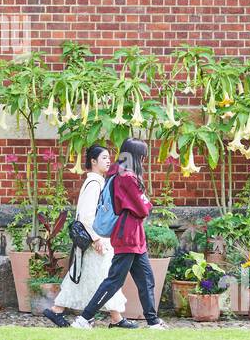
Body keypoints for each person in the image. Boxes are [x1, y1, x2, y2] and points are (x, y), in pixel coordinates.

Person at [72, 138, 167, 330]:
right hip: (128, 235)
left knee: (146, 279)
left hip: (133, 236)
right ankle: (84, 319)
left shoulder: (118, 174)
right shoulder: (127, 177)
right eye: (142, 156)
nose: (143, 160)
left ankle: (153, 321)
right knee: (114, 281)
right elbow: (143, 208)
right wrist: (147, 202)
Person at [44, 145, 127, 327]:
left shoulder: (98, 182)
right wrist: (96, 238)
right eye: (104, 158)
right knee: (105, 276)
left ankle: (57, 310)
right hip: (95, 239)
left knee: (90, 276)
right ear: (93, 161)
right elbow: (87, 215)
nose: (108, 161)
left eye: (108, 158)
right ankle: (116, 319)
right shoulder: (94, 184)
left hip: (96, 239)